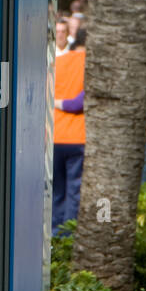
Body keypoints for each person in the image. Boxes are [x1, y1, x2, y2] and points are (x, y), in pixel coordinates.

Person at [52, 23, 85, 234]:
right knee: (74, 192)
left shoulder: (57, 63)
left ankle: (55, 233)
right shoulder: (92, 66)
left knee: (57, 192)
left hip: (56, 137)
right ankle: (67, 236)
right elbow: (78, 104)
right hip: (78, 138)